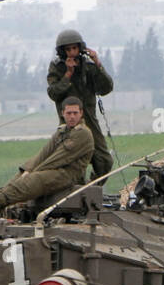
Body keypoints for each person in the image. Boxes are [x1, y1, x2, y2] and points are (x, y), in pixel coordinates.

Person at [0, 97, 94, 215]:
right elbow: (44, 153)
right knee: (16, 182)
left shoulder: (83, 134)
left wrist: (33, 172)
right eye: (69, 113)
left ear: (81, 113)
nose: (72, 116)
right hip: (53, 170)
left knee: (30, 181)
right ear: (62, 113)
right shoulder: (63, 131)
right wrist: (27, 169)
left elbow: (58, 158)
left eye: (75, 113)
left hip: (68, 175)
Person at [46, 29, 114, 181]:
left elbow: (106, 88)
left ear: (80, 48)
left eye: (74, 48)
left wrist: (98, 64)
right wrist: (68, 75)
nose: (72, 52)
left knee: (104, 161)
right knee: (74, 167)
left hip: (90, 120)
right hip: (69, 123)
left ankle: (93, 190)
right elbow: (53, 93)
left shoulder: (88, 66)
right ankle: (78, 195)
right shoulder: (57, 67)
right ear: (62, 51)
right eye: (68, 49)